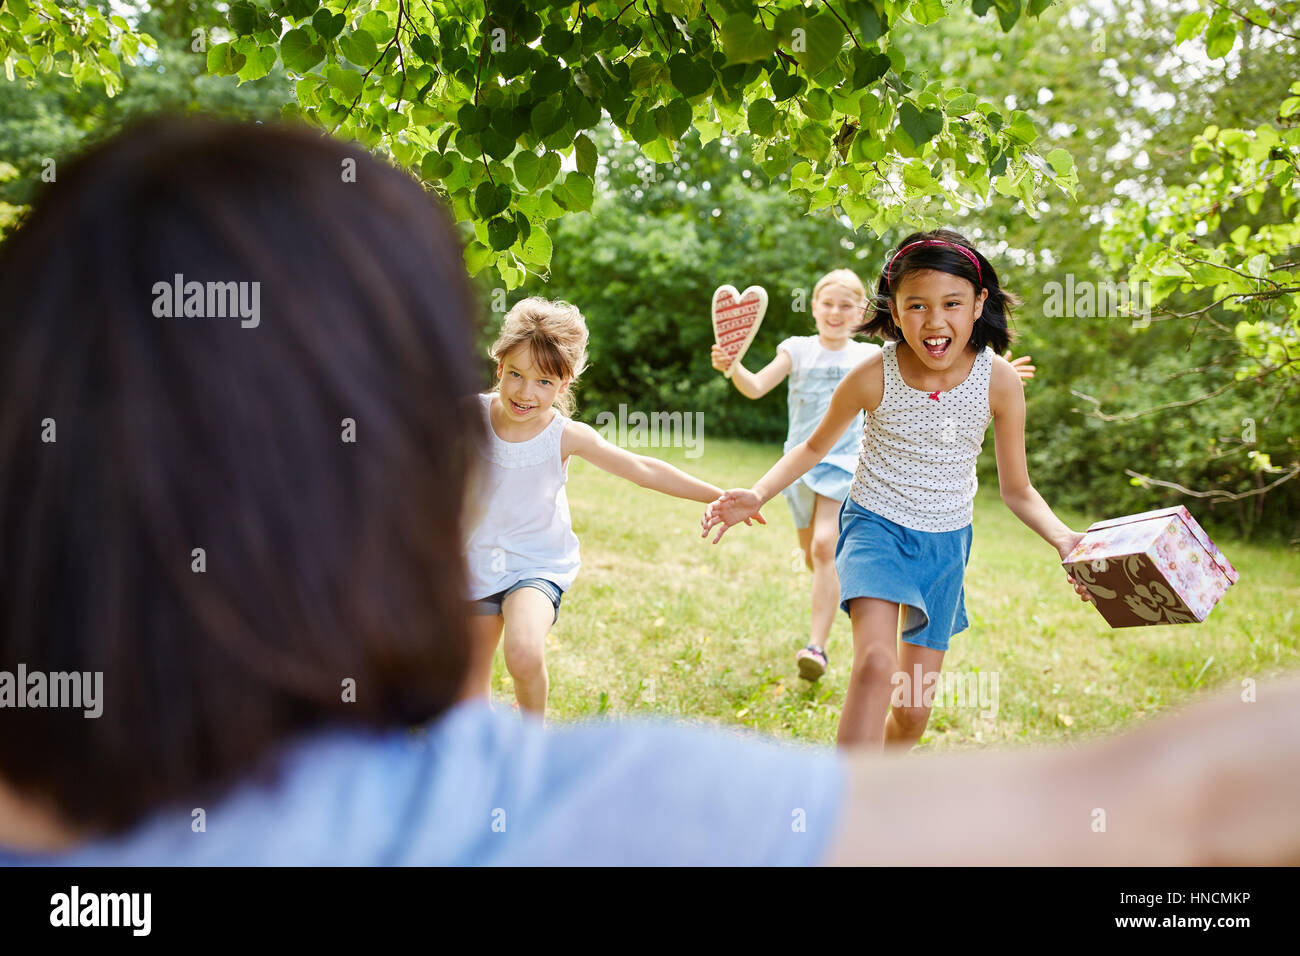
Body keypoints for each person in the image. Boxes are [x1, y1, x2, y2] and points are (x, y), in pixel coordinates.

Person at [1, 116, 1297, 866]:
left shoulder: (973, 382)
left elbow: (669, 459)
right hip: (863, 530)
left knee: (885, 688)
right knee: (861, 665)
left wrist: (1069, 537)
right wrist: (748, 432)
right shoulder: (519, 824)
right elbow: (1185, 799)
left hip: (917, 534)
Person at [702, 230, 1090, 750]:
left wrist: (1065, 539)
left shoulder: (999, 382)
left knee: (911, 714)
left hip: (946, 547)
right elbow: (813, 448)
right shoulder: (871, 374)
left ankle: (878, 784)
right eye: (916, 306)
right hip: (875, 528)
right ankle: (845, 809)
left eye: (951, 303)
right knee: (875, 665)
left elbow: (1018, 490)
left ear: (979, 304)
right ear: (893, 310)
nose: (934, 321)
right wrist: (758, 492)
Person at [711, 270, 1035, 683]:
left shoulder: (867, 357)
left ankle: (817, 645)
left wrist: (986, 373)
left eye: (846, 305)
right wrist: (733, 364)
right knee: (815, 554)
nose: (834, 312)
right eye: (826, 303)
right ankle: (845, 585)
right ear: (813, 307)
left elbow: (930, 362)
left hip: (849, 463)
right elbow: (755, 387)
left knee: (827, 547)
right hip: (802, 462)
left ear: (860, 313)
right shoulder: (798, 350)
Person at [464, 297, 740, 719]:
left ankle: (532, 737)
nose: (525, 392)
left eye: (543, 382)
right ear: (499, 366)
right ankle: (477, 742)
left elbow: (642, 468)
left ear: (564, 383)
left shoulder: (566, 435)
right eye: (516, 374)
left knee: (522, 652)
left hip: (535, 565)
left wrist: (717, 495)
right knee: (468, 676)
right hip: (474, 562)